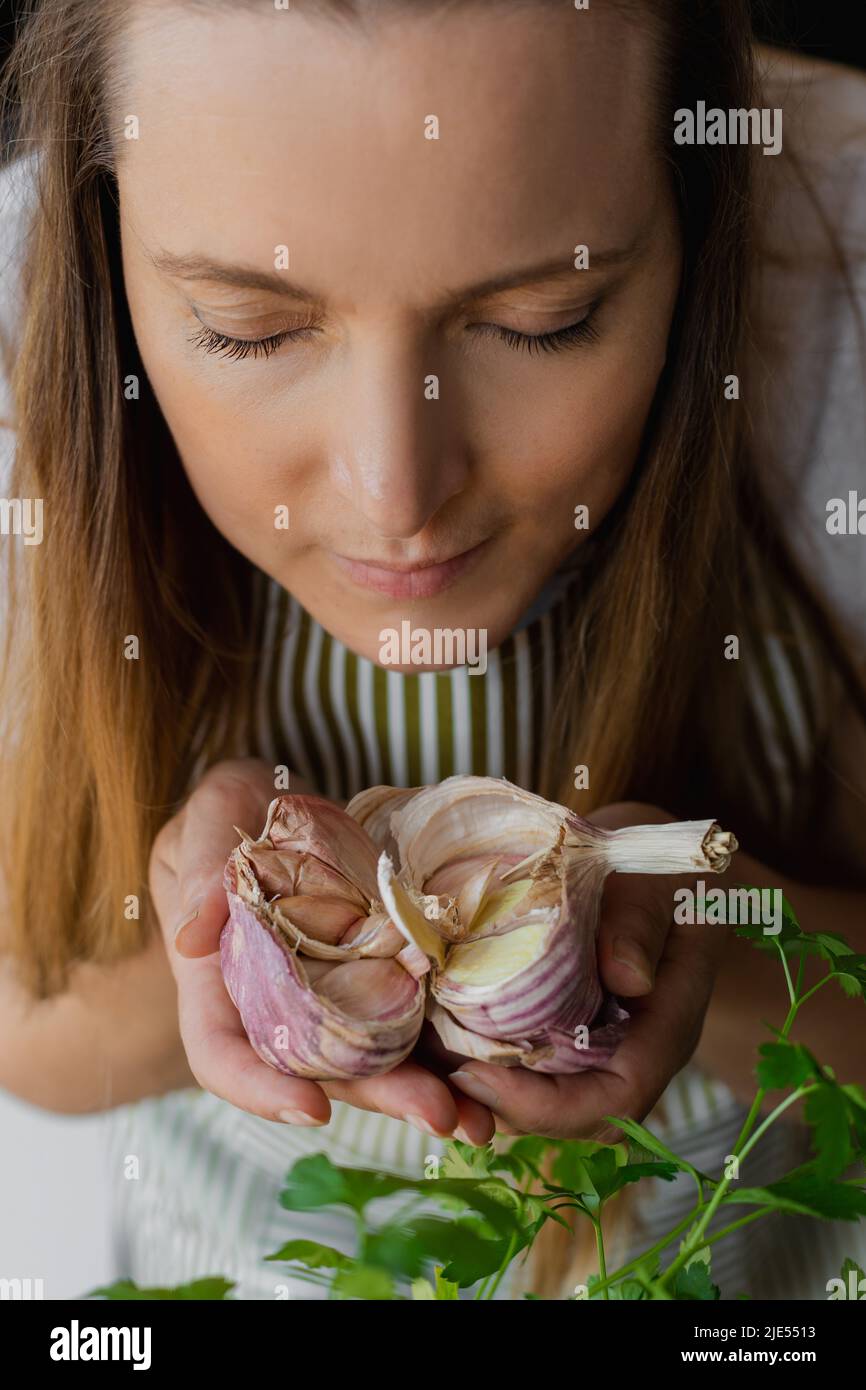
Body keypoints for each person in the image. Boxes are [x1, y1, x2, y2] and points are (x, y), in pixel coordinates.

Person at [0, 0, 864, 1301]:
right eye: (247, 327)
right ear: (98, 228)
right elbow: (29, 1037)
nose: (394, 491)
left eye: (543, 319)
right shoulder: (27, 406)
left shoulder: (838, 314)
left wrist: (716, 941)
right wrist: (227, 955)